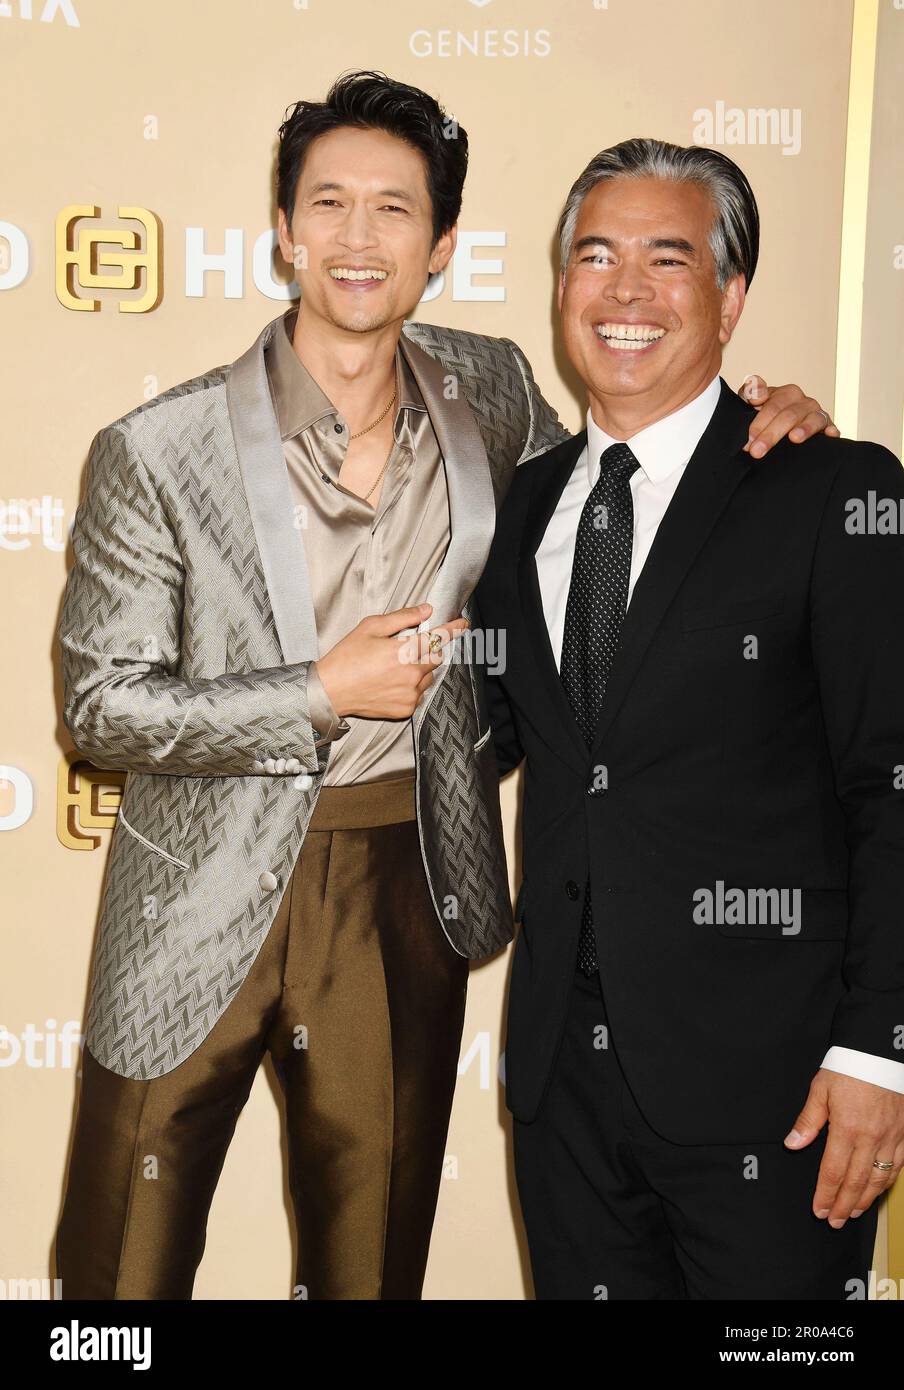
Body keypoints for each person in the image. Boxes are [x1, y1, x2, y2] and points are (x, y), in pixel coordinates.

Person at [55, 74, 833, 1300]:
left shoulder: (498, 393)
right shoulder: (158, 448)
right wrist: (320, 688)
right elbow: (101, 710)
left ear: (442, 247)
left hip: (400, 885)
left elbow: (633, 469)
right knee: (116, 1283)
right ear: (283, 233)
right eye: (329, 205)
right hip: (187, 900)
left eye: (393, 211)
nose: (358, 239)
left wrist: (763, 413)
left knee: (370, 1271)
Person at [476, 138, 904, 1300]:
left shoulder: (835, 491)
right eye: (594, 255)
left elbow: (889, 784)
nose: (623, 291)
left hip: (785, 1090)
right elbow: (499, 732)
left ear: (728, 298)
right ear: (560, 283)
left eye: (667, 260)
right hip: (565, 1084)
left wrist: (879, 1051)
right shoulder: (522, 505)